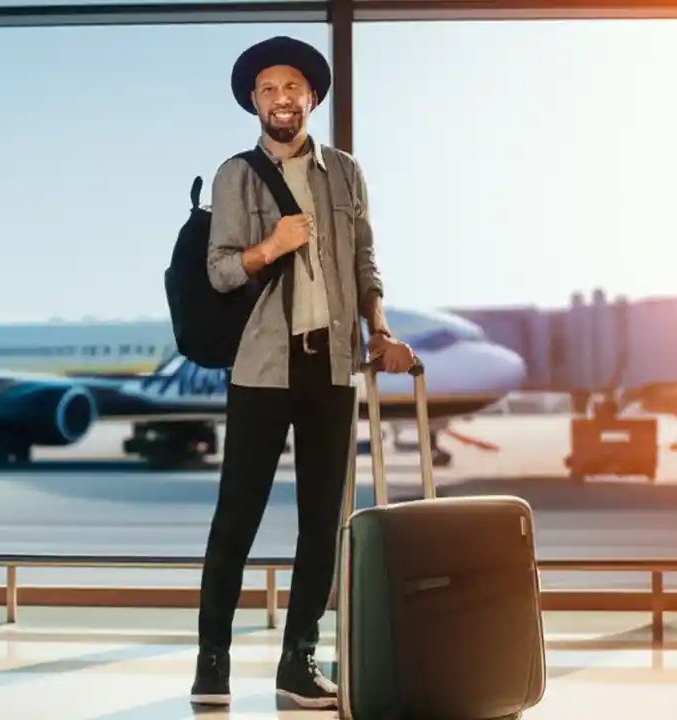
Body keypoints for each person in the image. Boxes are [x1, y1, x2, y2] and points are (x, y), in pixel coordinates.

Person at [190, 36, 416, 710]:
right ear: (255, 103)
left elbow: (365, 264)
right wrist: (271, 246)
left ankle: (298, 663)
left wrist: (379, 328)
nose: (281, 98)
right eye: (268, 89)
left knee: (323, 522)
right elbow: (221, 269)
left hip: (333, 366)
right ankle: (212, 663)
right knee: (237, 518)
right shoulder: (236, 174)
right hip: (262, 366)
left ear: (310, 97)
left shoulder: (344, 172)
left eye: (293, 87)